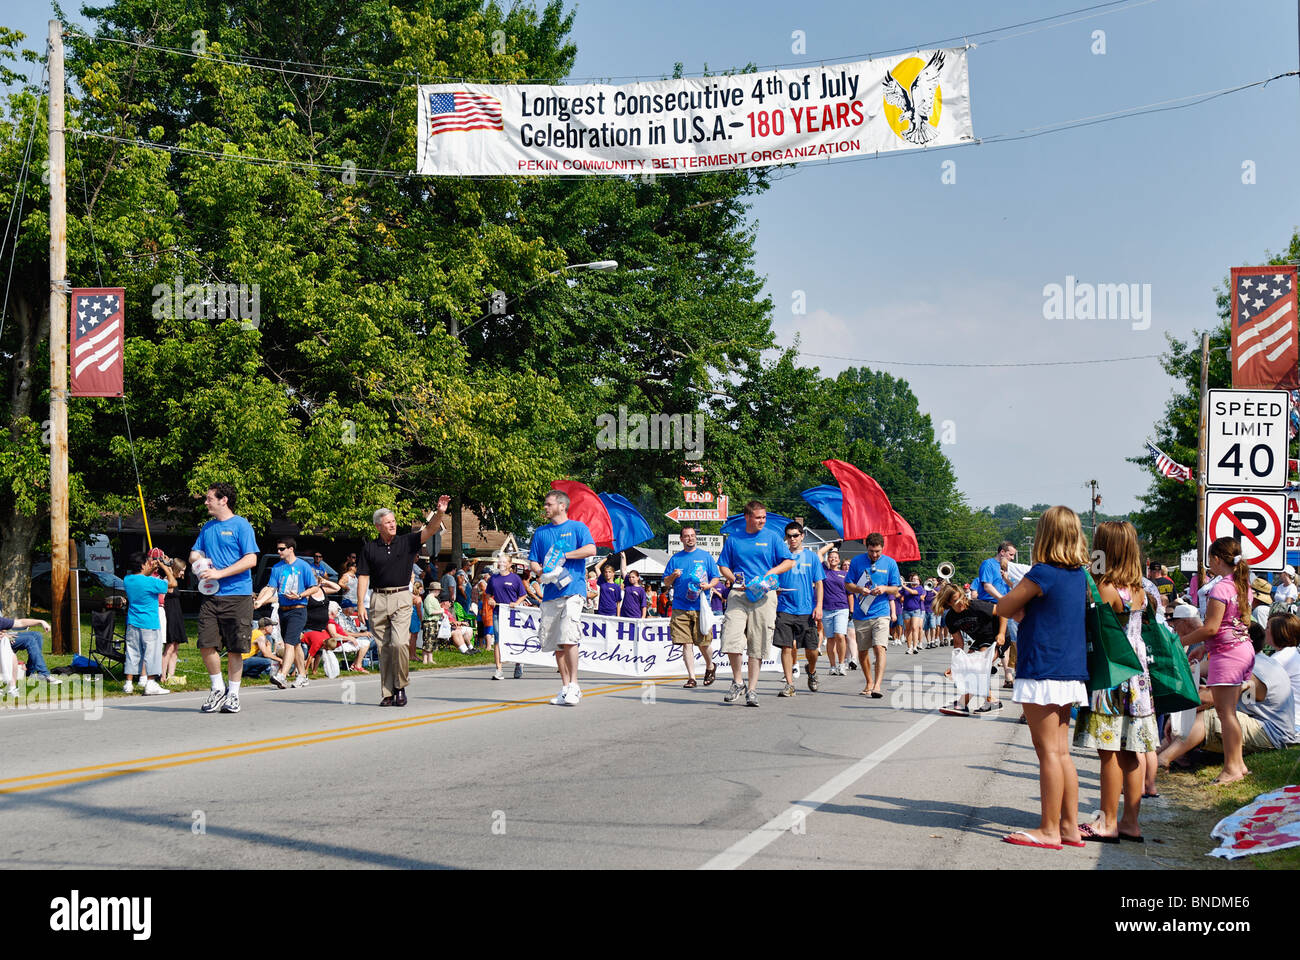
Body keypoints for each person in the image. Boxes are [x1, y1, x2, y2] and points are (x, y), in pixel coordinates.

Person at [994, 506, 1090, 850]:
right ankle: (1068, 826)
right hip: (1069, 669)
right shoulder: (1078, 574)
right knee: (1062, 752)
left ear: (1044, 536)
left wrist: (1019, 606)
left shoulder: (1042, 573)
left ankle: (1049, 830)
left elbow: (1004, 607)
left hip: (1042, 667)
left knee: (1047, 751)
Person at [1074, 521, 1158, 843]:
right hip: (1138, 679)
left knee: (1108, 752)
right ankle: (1130, 823)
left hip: (1113, 678)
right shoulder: (1142, 589)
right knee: (1131, 752)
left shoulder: (1105, 589)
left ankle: (1107, 822)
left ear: (1104, 549)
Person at [1168, 537, 1256, 784]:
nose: (1209, 565)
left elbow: (1211, 628)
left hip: (1228, 654)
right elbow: (1227, 625)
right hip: (1240, 649)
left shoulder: (1220, 588)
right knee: (1230, 712)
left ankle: (1232, 768)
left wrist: (1179, 642)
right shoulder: (1241, 585)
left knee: (1225, 713)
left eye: (1210, 560)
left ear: (1217, 559)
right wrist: (1204, 648)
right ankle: (1237, 764)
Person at [355, 496, 450, 707]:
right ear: (378, 526)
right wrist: (361, 604)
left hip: (401, 597)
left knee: (399, 643)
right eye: (388, 522)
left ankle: (401, 686)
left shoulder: (407, 541)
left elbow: (430, 530)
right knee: (385, 648)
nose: (393, 524)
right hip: (378, 598)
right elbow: (362, 576)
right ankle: (388, 692)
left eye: (394, 521)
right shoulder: (369, 548)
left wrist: (440, 512)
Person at [1159, 626, 1299, 767]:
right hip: (1264, 725)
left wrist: (1177, 713)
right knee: (1200, 712)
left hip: (1273, 733)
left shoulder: (1252, 667)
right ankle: (1157, 755)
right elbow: (1195, 670)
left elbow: (1210, 698)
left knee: (1209, 716)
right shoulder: (1253, 659)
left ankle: (1164, 759)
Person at [190, 482, 260, 714]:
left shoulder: (241, 525)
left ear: (224, 500)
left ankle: (233, 694)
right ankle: (217, 688)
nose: (206, 501)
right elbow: (196, 551)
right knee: (206, 643)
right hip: (211, 595)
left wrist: (220, 572)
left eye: (209, 498)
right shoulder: (208, 527)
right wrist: (196, 560)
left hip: (238, 595)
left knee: (235, 648)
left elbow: (251, 560)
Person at [716, 501, 795, 707]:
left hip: (764, 595)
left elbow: (789, 562)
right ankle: (737, 681)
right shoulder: (735, 539)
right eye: (758, 517)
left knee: (757, 642)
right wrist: (735, 579)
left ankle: (752, 689)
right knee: (731, 638)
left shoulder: (772, 537)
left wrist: (771, 572)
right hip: (739, 594)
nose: (762, 521)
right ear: (747, 517)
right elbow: (723, 565)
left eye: (764, 517)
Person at [529, 489, 597, 706]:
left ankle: (575, 685)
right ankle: (565, 687)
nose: (545, 508)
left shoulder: (577, 528)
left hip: (573, 590)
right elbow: (533, 562)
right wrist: (542, 571)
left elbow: (590, 549)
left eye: (549, 504)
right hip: (550, 594)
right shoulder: (540, 533)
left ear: (561, 505)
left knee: (569, 635)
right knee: (557, 643)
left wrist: (564, 556)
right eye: (545, 504)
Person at [931, 581, 1005, 715]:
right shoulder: (951, 618)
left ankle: (963, 703)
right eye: (955, 601)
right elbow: (959, 644)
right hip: (980, 640)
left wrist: (1002, 633)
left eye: (962, 598)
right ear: (948, 603)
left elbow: (1003, 611)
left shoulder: (976, 606)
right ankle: (991, 701)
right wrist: (956, 666)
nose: (961, 602)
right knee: (971, 668)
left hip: (995, 638)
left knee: (978, 667)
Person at [254, 537, 317, 691]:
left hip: (299, 609)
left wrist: (300, 595)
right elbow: (270, 588)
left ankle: (282, 675)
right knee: (295, 644)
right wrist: (260, 601)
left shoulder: (303, 566)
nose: (279, 551)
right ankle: (302, 675)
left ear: (291, 549)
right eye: (278, 549)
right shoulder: (277, 568)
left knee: (289, 643)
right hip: (283, 610)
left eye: (282, 549)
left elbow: (314, 587)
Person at [662, 525, 722, 688]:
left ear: (696, 537)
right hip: (680, 606)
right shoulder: (675, 558)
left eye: (692, 535)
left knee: (703, 643)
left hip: (700, 606)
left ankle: (710, 665)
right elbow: (665, 582)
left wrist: (709, 585)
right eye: (686, 536)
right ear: (681, 539)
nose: (690, 538)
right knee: (686, 643)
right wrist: (673, 575)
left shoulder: (705, 556)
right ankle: (692, 678)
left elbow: (716, 578)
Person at [845, 532, 901, 699]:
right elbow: (848, 584)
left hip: (881, 613)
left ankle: (877, 685)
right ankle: (868, 681)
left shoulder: (890, 563)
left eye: (877, 551)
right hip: (861, 613)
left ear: (882, 548)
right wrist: (859, 589)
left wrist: (884, 588)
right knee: (862, 651)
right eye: (871, 551)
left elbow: (896, 588)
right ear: (866, 547)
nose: (875, 555)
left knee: (879, 647)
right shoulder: (856, 562)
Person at [774, 522, 824, 696]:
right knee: (786, 647)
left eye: (795, 535)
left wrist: (818, 606)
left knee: (812, 650)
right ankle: (789, 684)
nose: (792, 539)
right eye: (789, 536)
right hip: (784, 608)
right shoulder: (781, 556)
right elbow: (773, 578)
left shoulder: (811, 557)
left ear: (802, 536)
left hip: (806, 609)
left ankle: (811, 671)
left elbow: (819, 583)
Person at [122, 550, 177, 695]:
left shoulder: (127, 580)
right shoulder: (151, 582)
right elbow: (173, 583)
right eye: (147, 562)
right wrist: (165, 568)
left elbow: (141, 578)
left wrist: (152, 568)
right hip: (150, 623)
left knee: (132, 652)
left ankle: (128, 683)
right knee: (152, 654)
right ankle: (151, 683)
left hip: (133, 622)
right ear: (142, 564)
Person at [486, 557, 528, 679]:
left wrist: (516, 603)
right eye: (500, 561)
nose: (501, 564)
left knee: (514, 638)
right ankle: (498, 669)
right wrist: (490, 599)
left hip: (512, 613)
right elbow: (488, 594)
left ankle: (518, 663)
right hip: (498, 612)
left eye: (504, 562)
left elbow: (523, 595)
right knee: (498, 640)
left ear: (509, 564)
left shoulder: (515, 578)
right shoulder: (493, 578)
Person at [817, 544, 851, 675]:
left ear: (839, 560)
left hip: (842, 608)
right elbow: (819, 553)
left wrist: (852, 611)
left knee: (840, 636)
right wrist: (832, 545)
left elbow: (850, 594)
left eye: (835, 557)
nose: (833, 559)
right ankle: (832, 666)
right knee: (830, 638)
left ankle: (842, 664)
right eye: (830, 557)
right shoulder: (823, 570)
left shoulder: (844, 574)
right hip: (826, 609)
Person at [1263, 612, 1300, 733]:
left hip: (1289, 724)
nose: (1264, 630)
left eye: (1268, 627)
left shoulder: (1279, 659)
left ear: (1279, 632)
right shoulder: (1291, 653)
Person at [900, 573, 925, 655]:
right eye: (913, 579)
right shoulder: (907, 587)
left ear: (919, 581)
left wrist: (904, 586)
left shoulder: (920, 588)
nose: (914, 580)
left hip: (916, 610)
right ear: (910, 580)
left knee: (915, 627)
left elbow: (913, 592)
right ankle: (909, 647)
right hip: (906, 610)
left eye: (916, 579)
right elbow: (899, 594)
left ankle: (915, 647)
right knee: (908, 629)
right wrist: (898, 585)